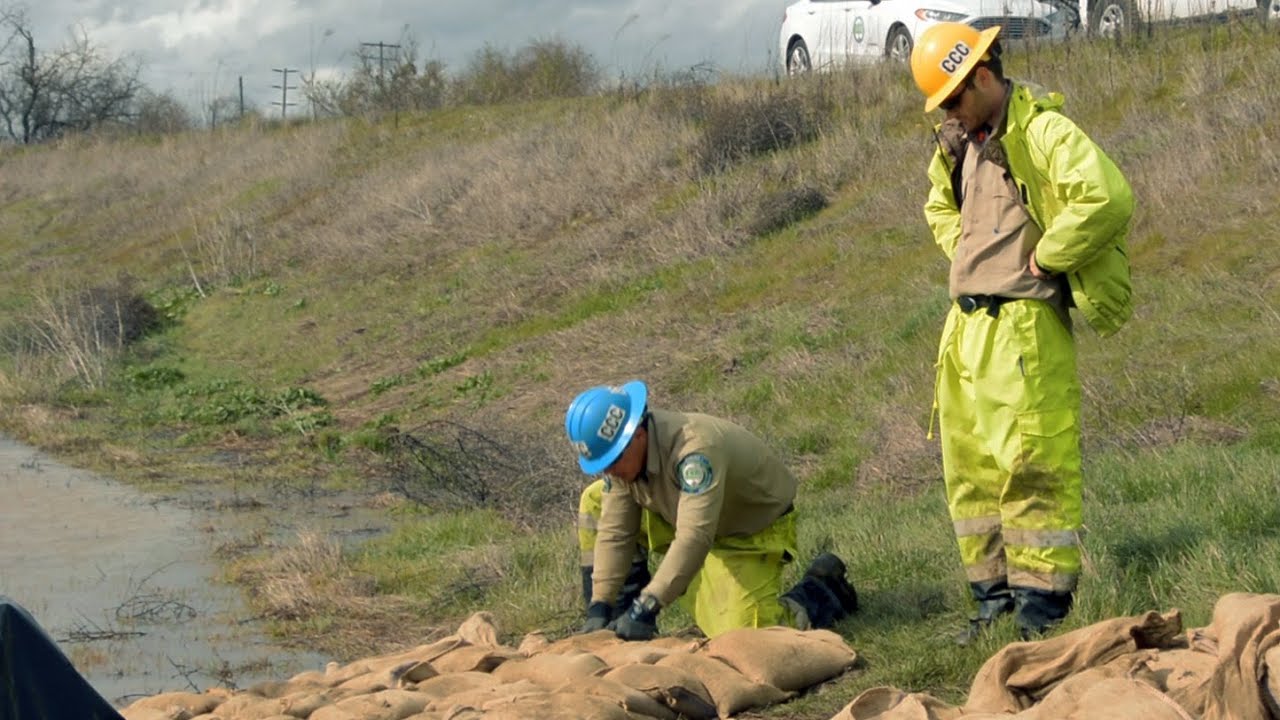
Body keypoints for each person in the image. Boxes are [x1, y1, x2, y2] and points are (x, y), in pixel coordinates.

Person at [909, 24, 1134, 642]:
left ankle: (1042, 609)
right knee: (972, 474)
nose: (949, 114)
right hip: (965, 330)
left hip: (1024, 327)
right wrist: (967, 254)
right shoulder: (958, 144)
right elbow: (937, 205)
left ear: (982, 76)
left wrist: (1048, 256)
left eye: (953, 99)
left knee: (1032, 466)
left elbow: (1107, 198)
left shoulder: (1043, 131)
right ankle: (993, 603)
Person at [565, 380, 858, 640]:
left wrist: (649, 604)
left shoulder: (695, 451)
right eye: (602, 465)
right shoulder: (624, 464)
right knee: (595, 500)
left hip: (748, 532)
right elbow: (616, 532)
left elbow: (694, 537)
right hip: (687, 518)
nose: (609, 471)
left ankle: (821, 591)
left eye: (613, 461)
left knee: (745, 634)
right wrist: (600, 604)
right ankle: (617, 622)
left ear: (637, 435)